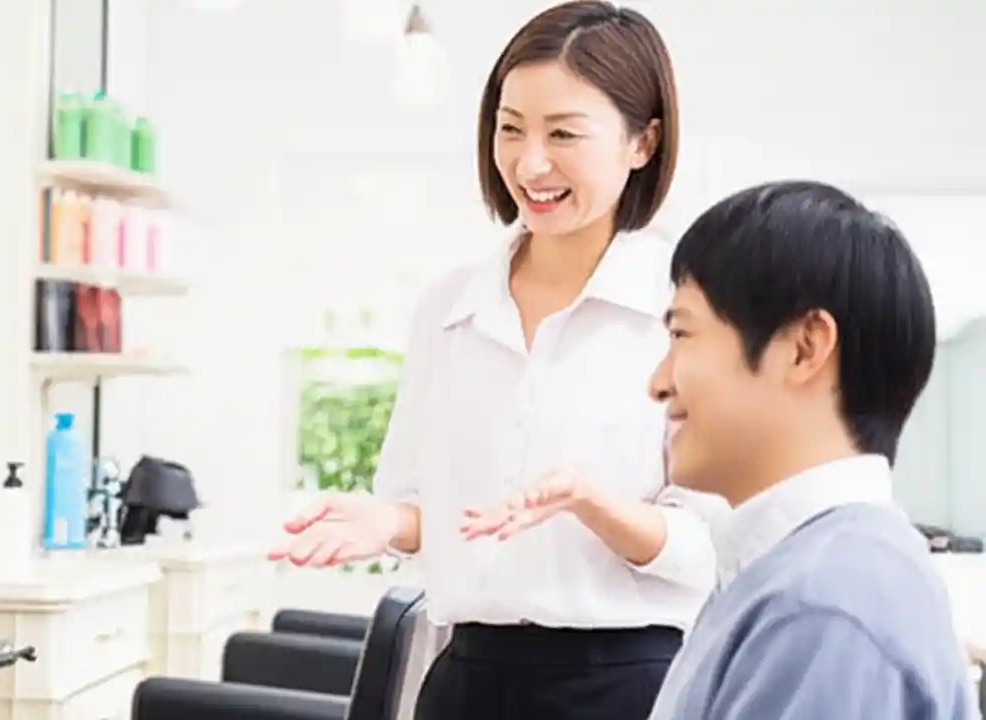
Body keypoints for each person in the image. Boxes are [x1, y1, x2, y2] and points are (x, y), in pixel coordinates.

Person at [268, 3, 724, 718]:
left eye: (564, 133)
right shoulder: (451, 306)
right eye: (510, 129)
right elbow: (431, 505)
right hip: (466, 681)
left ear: (643, 141)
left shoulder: (685, 310)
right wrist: (387, 523)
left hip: (627, 685)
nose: (528, 162)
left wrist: (592, 504)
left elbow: (709, 545)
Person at [480, 180, 976, 718]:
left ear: (804, 349)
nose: (658, 381)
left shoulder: (825, 606)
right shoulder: (793, 574)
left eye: (683, 335)